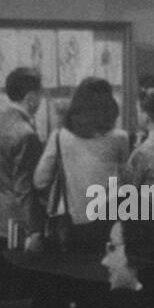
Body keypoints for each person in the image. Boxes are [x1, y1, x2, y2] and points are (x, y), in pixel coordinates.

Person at [33, 77, 130, 254]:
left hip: (71, 222)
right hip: (108, 221)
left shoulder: (59, 137)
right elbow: (128, 181)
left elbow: (40, 180)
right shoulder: (119, 138)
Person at [0, 68, 46, 303]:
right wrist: (34, 230)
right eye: (40, 94)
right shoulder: (26, 134)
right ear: (30, 97)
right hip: (17, 224)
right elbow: (25, 188)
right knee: (18, 294)